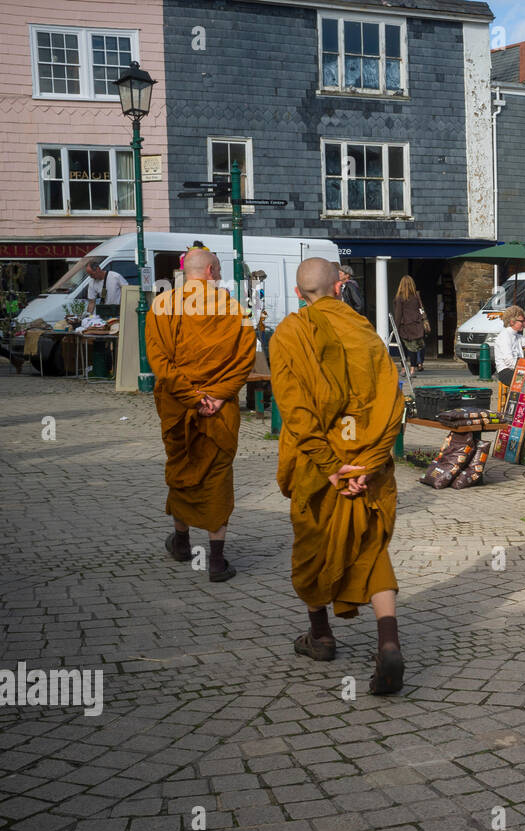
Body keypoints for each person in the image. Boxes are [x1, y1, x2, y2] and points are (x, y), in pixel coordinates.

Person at [269, 257, 406, 695]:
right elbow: (392, 400)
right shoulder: (365, 332)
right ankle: (388, 642)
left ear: (298, 294)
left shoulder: (289, 333)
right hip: (367, 460)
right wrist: (370, 459)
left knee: (312, 542)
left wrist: (330, 466)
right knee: (372, 546)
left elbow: (294, 409)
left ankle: (321, 635)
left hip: (319, 465)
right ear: (338, 287)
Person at [146, 249, 255, 583]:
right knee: (218, 475)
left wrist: (191, 396)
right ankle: (217, 562)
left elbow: (160, 362)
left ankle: (181, 543)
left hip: (179, 407)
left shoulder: (161, 306)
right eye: (219, 270)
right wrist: (220, 395)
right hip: (220, 411)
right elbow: (246, 359)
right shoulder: (238, 310)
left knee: (182, 467)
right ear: (210, 270)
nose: (220, 275)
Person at [493, 306, 525, 386]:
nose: (524, 323)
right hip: (506, 372)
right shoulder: (505, 336)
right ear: (512, 322)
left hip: (517, 369)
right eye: (522, 321)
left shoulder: (517, 336)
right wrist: (524, 369)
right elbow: (509, 361)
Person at [393, 275, 427, 371]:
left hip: (405, 326)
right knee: (414, 348)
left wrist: (396, 327)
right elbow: (421, 309)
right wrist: (422, 319)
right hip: (416, 324)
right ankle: (413, 368)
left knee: (403, 348)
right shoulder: (416, 296)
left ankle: (404, 368)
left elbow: (398, 314)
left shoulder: (399, 298)